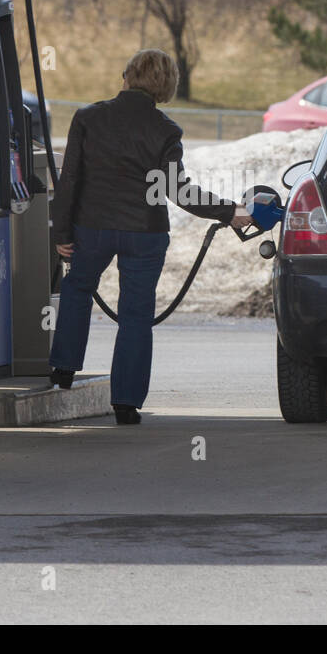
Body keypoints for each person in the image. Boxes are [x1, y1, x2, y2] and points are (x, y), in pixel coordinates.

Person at [48, 49, 253, 424]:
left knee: (77, 289)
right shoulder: (166, 130)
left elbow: (70, 179)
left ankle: (63, 369)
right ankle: (125, 404)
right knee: (136, 315)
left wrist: (61, 232)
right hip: (145, 233)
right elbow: (177, 189)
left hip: (92, 228)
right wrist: (230, 211)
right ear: (166, 87)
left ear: (126, 76)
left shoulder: (88, 117)